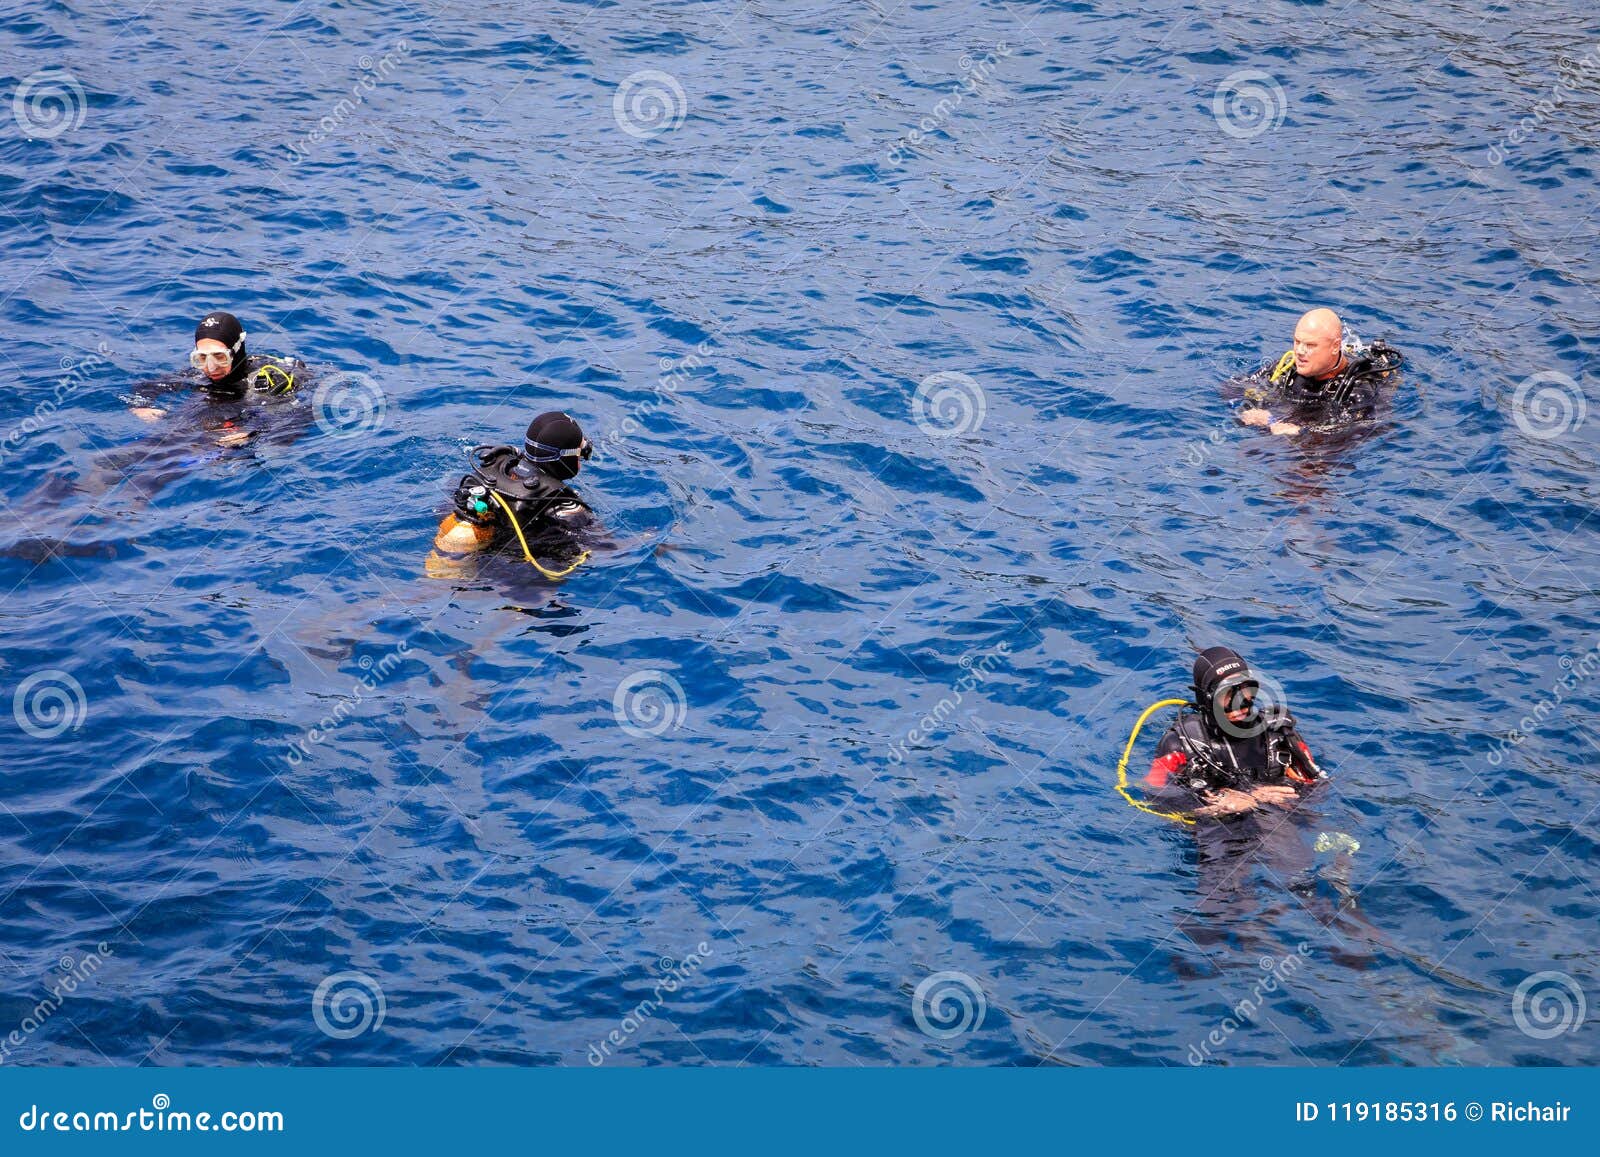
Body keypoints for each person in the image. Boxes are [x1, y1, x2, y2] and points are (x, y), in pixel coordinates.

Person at [1144, 646, 1323, 820]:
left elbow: (1318, 789)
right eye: (1227, 694)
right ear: (1206, 698)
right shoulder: (1179, 744)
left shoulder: (1279, 734)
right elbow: (1155, 799)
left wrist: (1292, 791)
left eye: (1246, 690)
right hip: (1217, 828)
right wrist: (1220, 804)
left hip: (1279, 818)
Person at [433, 411, 595, 572]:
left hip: (458, 546)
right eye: (581, 453)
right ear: (565, 458)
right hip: (506, 571)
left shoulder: (493, 470)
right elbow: (600, 547)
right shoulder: (565, 506)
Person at [128, 312, 305, 434]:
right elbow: (147, 387)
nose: (211, 367)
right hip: (188, 428)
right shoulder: (197, 375)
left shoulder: (271, 381)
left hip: (227, 439)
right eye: (201, 358)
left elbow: (297, 419)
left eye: (220, 357)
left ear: (236, 350)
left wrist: (252, 433)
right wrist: (141, 405)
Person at [1238, 308, 1402, 437]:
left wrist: (1297, 430)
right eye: (1297, 342)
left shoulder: (1358, 390)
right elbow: (1234, 388)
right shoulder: (1286, 368)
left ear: (1335, 346)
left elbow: (1350, 434)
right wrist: (1255, 410)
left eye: (1310, 345)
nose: (1299, 351)